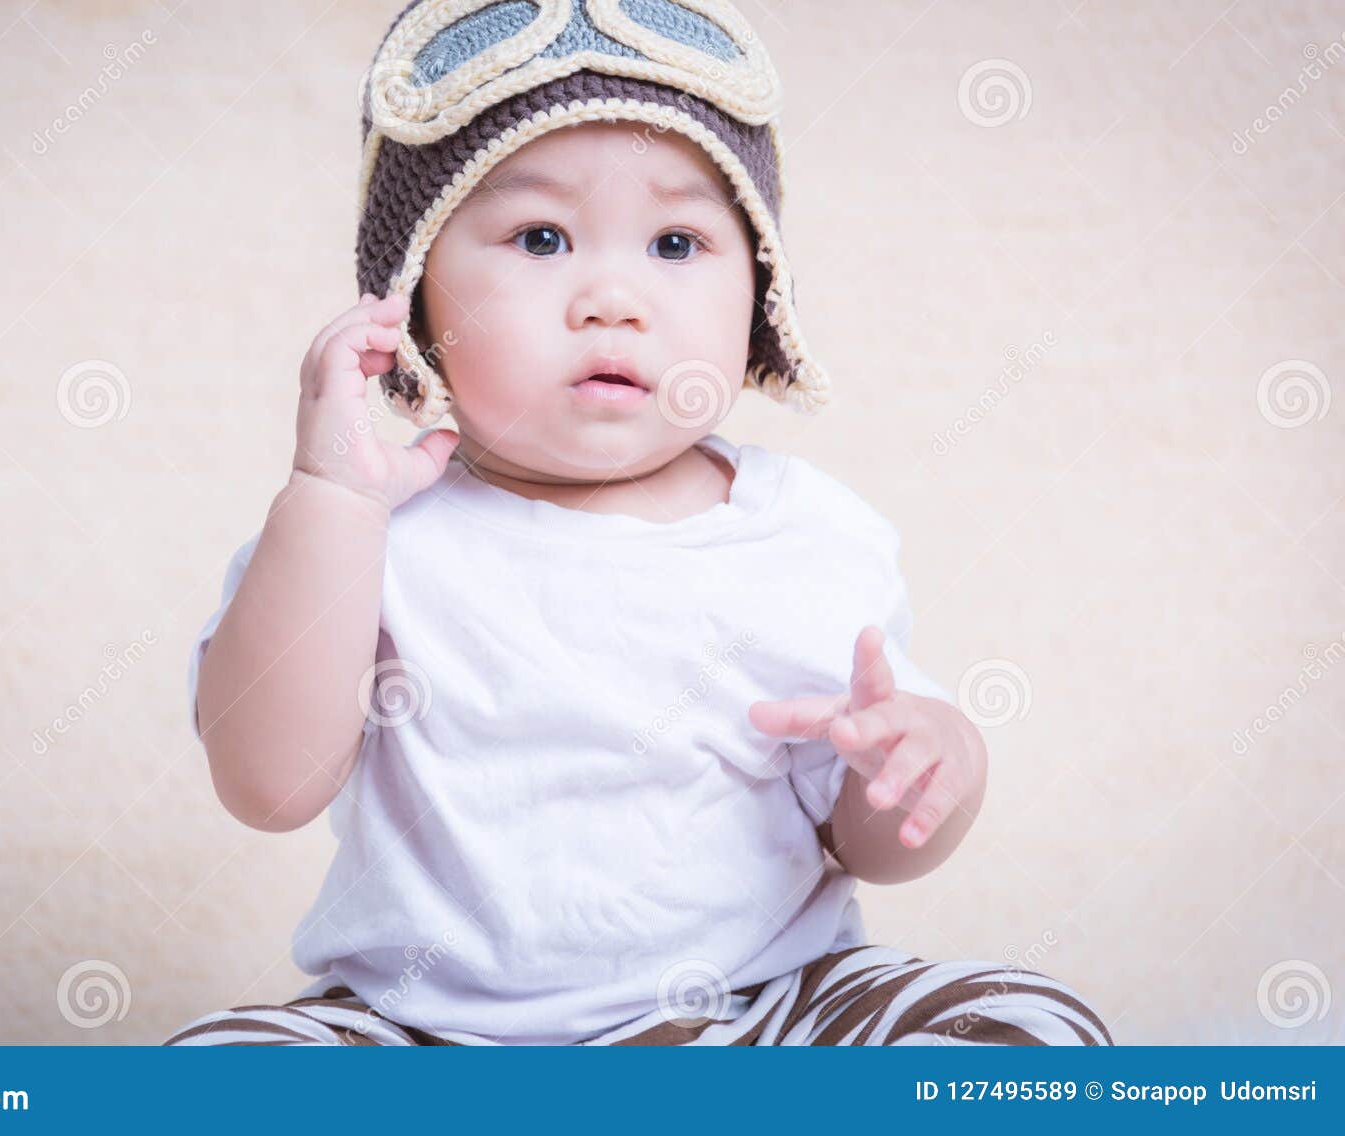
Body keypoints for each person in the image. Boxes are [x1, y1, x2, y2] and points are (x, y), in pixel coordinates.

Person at [164, 0, 1112, 1046]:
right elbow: (267, 784)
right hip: (425, 1029)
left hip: (760, 1008)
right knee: (215, 1071)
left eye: (676, 242)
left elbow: (867, 842)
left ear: (759, 293)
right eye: (539, 237)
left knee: (1024, 1025)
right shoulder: (367, 529)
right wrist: (331, 499)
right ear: (415, 297)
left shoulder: (804, 533)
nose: (610, 297)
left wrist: (926, 764)